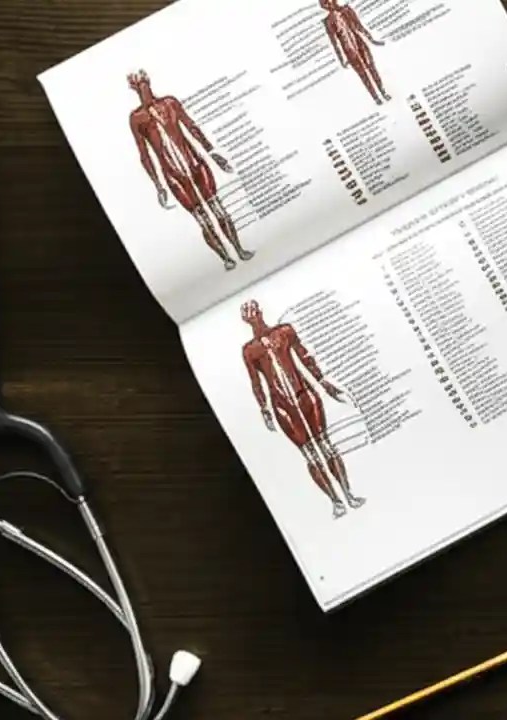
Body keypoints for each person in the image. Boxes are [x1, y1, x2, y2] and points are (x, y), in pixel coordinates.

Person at [240, 300, 365, 518]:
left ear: (261, 312)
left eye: (255, 312)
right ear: (245, 320)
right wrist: (264, 408)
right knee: (309, 453)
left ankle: (348, 494)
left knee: (326, 445)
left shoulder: (284, 331)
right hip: (282, 405)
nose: (254, 317)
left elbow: (304, 356)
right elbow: (256, 382)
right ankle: (336, 502)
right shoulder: (250, 350)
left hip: (305, 394)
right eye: (249, 315)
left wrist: (323, 381)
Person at [127, 70, 254, 270]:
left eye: (144, 83)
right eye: (138, 86)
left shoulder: (170, 103)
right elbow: (144, 154)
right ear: (133, 89)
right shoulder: (136, 118)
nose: (143, 89)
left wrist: (213, 153)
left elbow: (191, 127)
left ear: (149, 82)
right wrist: (158, 185)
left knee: (218, 208)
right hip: (173, 174)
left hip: (194, 162)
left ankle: (239, 250)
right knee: (202, 218)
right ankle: (226, 259)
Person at [319, 0, 391, 105]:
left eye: (329, 1)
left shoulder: (347, 9)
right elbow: (335, 42)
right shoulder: (328, 21)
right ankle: (376, 98)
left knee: (371, 67)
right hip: (348, 50)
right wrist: (341, 59)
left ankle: (383, 92)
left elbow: (360, 26)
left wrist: (371, 40)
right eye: (325, 3)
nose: (329, 4)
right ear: (323, 6)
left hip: (359, 42)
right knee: (363, 74)